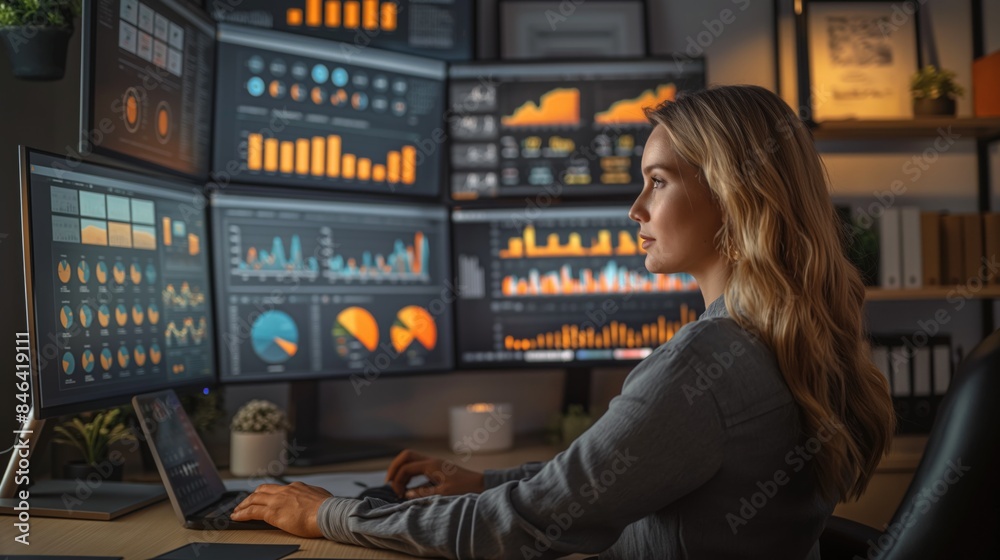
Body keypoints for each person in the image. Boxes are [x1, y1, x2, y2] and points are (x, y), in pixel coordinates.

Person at [231, 85, 896, 559]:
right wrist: (484, 481)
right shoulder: (793, 342)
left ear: (733, 194)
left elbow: (521, 531)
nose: (635, 208)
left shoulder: (706, 364)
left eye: (658, 182)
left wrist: (329, 514)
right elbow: (598, 488)